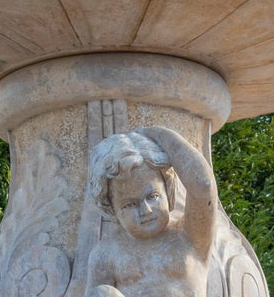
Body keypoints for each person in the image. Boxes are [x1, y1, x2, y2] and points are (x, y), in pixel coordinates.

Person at [86, 126, 217, 297]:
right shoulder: (106, 252)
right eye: (129, 205)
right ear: (111, 209)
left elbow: (203, 186)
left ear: (168, 190)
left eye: (152, 196)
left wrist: (160, 136)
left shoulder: (189, 234)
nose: (145, 210)